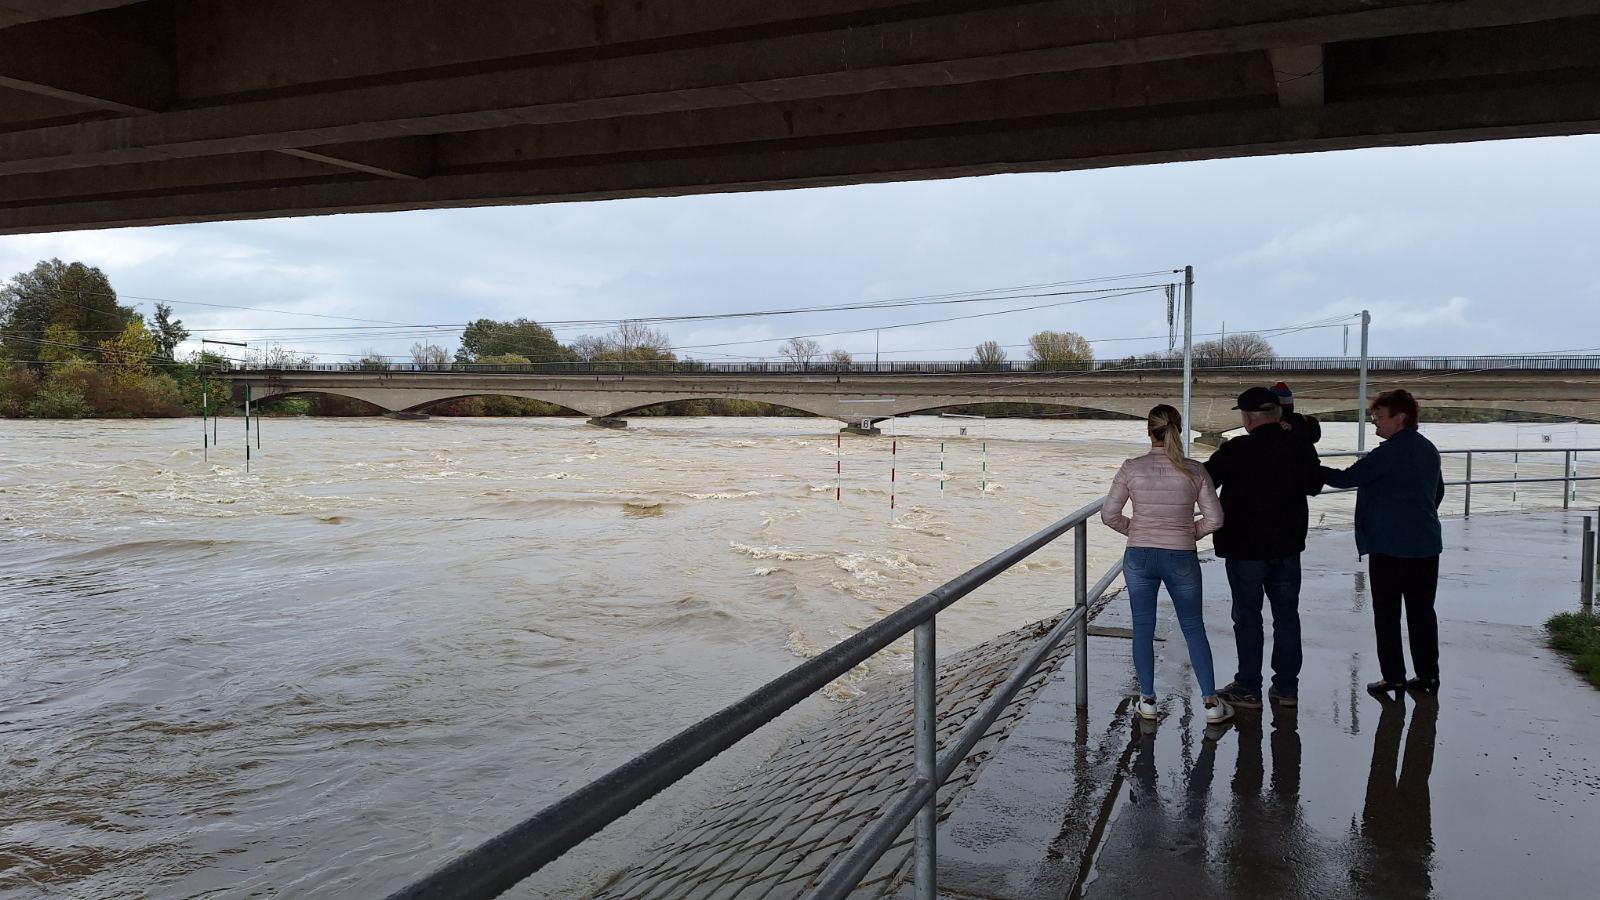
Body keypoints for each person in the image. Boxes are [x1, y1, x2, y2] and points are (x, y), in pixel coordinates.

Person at [1101, 404, 1233, 724]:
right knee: (1193, 627)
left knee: (1143, 628)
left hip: (1140, 557)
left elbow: (1109, 515)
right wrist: (1189, 533)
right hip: (1181, 557)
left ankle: (1147, 700)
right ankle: (1211, 703)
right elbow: (1215, 520)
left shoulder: (1131, 468)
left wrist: (1135, 530)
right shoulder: (1195, 470)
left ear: (1149, 431)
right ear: (1180, 429)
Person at [1203, 387, 1324, 710]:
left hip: (1244, 549)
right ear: (1277, 414)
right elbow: (1314, 484)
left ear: (1246, 418)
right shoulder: (1298, 446)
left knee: (1247, 618)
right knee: (1286, 617)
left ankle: (1248, 687)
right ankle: (1286, 689)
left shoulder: (1237, 449)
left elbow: (1203, 482)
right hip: (1287, 546)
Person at [1320, 389, 1444, 697]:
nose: (1375, 423)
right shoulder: (1428, 449)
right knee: (1422, 613)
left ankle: (1394, 677)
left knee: (1387, 613)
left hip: (1390, 547)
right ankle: (1428, 675)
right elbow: (1437, 493)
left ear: (1400, 418)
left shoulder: (1391, 451)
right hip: (1426, 545)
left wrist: (1307, 468)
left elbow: (1346, 478)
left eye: (1379, 417)